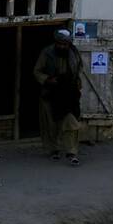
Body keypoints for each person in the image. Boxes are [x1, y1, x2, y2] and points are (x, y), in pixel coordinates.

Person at [34, 28, 82, 165]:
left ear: (69, 44)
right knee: (51, 124)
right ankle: (53, 149)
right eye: (59, 43)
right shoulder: (47, 53)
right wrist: (48, 79)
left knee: (71, 122)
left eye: (65, 44)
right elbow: (37, 71)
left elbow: (79, 70)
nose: (62, 46)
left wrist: (77, 85)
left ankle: (72, 152)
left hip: (69, 94)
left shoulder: (74, 53)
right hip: (51, 93)